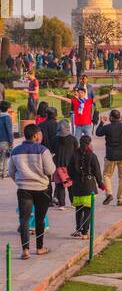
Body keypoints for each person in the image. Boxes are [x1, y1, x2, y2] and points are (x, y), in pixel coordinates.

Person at [8, 122, 55, 259]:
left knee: (24, 219)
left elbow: (11, 171)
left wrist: (19, 181)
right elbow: (50, 170)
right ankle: (40, 247)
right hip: (41, 188)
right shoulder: (43, 150)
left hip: (24, 189)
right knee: (40, 219)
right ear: (35, 136)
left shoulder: (15, 151)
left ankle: (25, 250)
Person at [68, 134, 104, 239]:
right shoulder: (92, 156)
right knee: (87, 210)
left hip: (77, 186)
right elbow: (97, 171)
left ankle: (78, 229)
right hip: (89, 186)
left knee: (78, 209)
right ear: (89, 144)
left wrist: (73, 177)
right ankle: (85, 233)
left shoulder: (74, 155)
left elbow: (69, 169)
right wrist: (100, 183)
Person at [95, 108, 122, 206]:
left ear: (111, 117)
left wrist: (101, 122)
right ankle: (121, 199)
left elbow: (98, 133)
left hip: (111, 156)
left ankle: (109, 193)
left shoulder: (107, 127)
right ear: (119, 117)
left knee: (107, 175)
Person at [51, 119, 75, 207]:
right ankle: (73, 202)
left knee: (60, 185)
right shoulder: (73, 139)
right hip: (70, 166)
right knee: (71, 185)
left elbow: (52, 150)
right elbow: (76, 150)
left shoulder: (55, 139)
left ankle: (62, 204)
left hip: (58, 165)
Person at [0, 101, 14, 178]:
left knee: (1, 157)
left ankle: (1, 170)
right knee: (5, 157)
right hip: (5, 140)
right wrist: (11, 141)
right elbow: (9, 130)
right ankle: (4, 173)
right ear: (8, 108)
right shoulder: (7, 117)